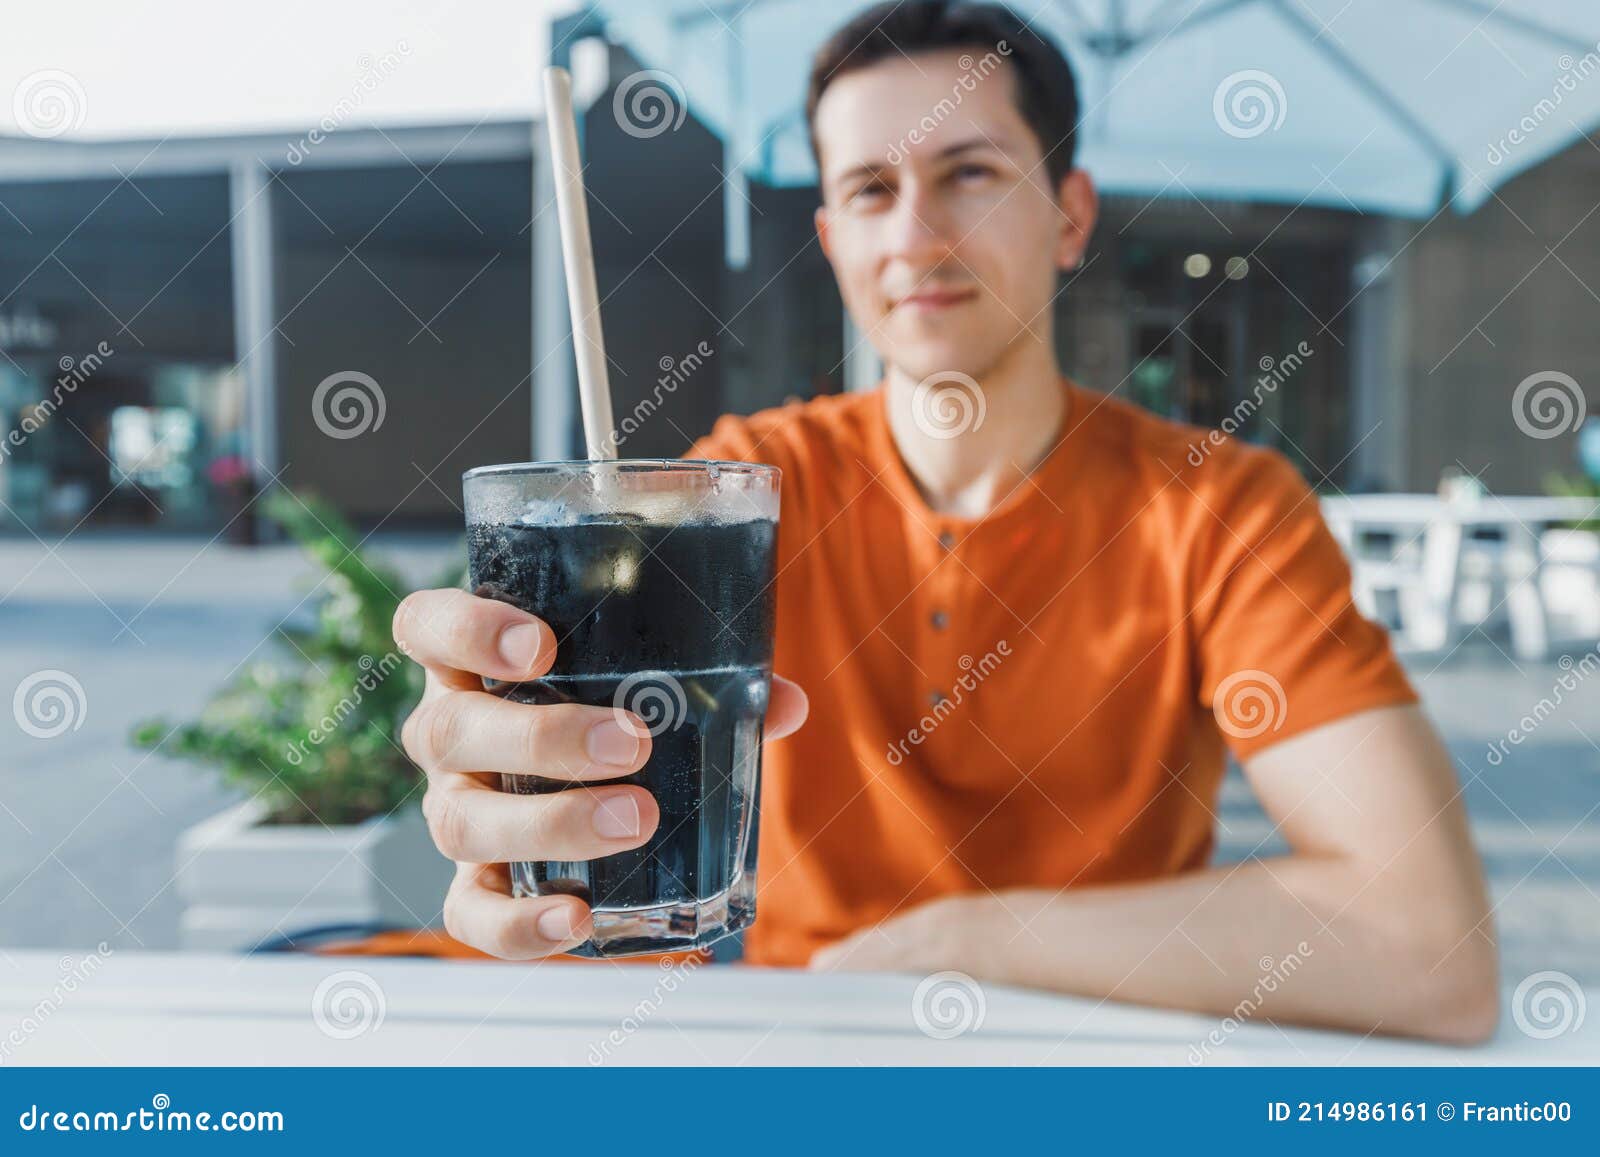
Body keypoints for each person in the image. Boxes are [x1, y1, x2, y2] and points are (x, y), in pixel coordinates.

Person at [391, 0, 1498, 1042]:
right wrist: (502, 778)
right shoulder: (737, 491)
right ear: (830, 239)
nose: (916, 236)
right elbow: (592, 764)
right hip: (796, 1049)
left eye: (968, 173)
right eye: (870, 189)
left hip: (1089, 1057)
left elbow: (1428, 948)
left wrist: (954, 941)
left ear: (1069, 216)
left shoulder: (1218, 507)